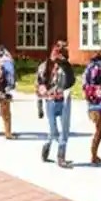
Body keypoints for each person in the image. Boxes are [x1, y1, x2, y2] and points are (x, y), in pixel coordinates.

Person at [35, 40, 75, 168]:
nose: (57, 54)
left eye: (60, 51)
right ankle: (46, 148)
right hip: (50, 101)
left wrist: (64, 64)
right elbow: (39, 85)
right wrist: (40, 106)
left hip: (64, 100)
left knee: (65, 129)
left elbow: (70, 81)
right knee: (53, 131)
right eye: (56, 50)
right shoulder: (44, 67)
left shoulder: (66, 67)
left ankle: (61, 157)